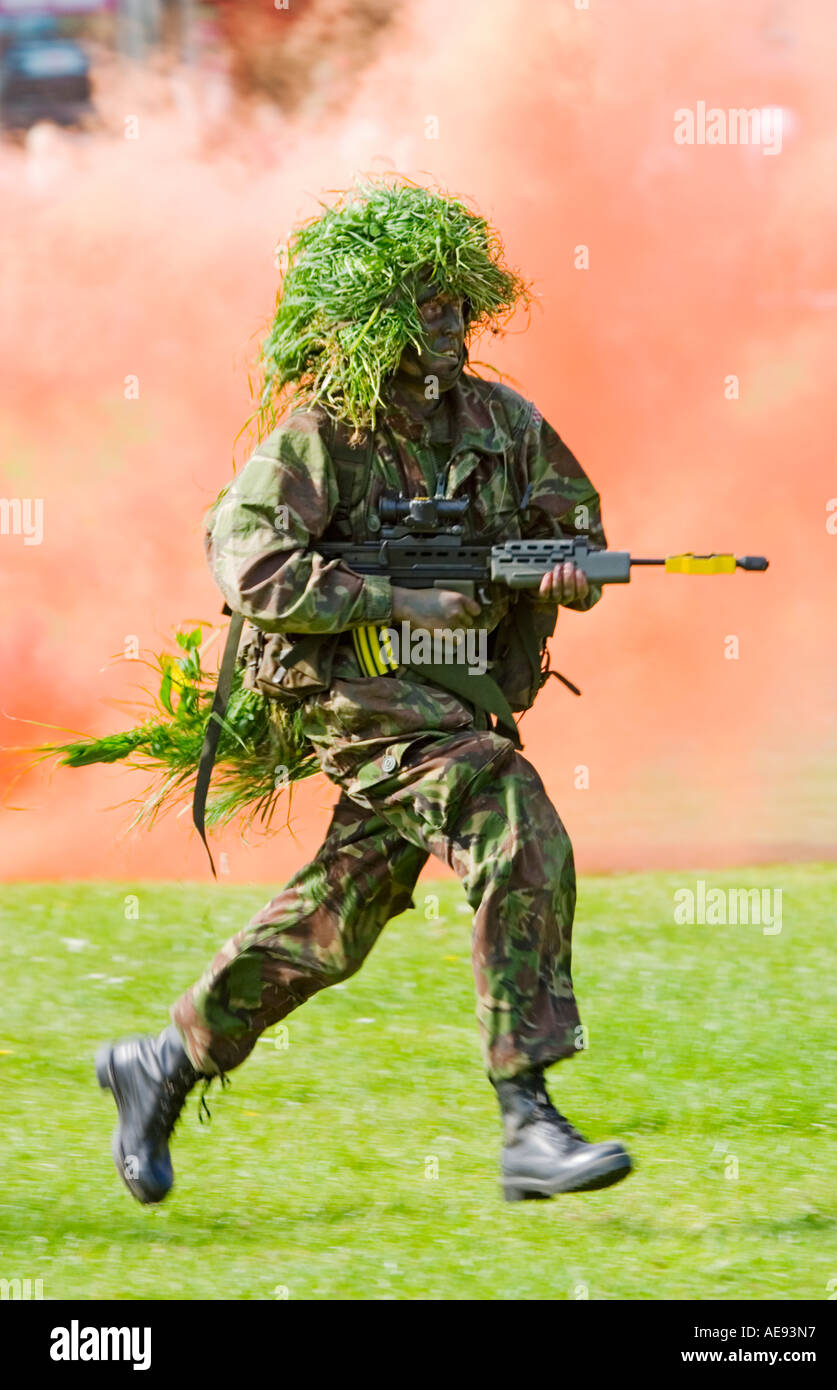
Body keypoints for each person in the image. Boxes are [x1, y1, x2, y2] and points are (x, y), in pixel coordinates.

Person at [95, 182, 633, 1205]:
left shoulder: (501, 422)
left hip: (449, 695)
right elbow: (247, 562)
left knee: (337, 915)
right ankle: (527, 1116)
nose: (446, 325)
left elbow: (571, 529)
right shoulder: (318, 437)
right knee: (503, 807)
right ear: (376, 314)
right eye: (423, 305)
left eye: (454, 303)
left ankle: (162, 1060)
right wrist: (381, 593)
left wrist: (565, 567)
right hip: (352, 701)